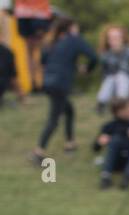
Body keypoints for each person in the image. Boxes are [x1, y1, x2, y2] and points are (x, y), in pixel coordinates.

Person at [30, 17, 95, 165]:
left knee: (69, 110)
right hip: (61, 84)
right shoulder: (74, 40)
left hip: (47, 83)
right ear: (71, 28)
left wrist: (69, 64)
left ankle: (70, 143)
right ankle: (38, 151)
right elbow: (93, 57)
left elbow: (43, 61)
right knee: (54, 118)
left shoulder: (52, 41)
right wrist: (86, 69)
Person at [95, 23, 129, 111]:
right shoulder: (105, 55)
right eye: (112, 38)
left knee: (121, 76)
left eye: (117, 37)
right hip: (113, 87)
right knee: (111, 78)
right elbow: (104, 75)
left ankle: (122, 104)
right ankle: (101, 103)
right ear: (108, 40)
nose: (114, 40)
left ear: (123, 38)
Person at [13, 0, 51, 93]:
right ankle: (40, 83)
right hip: (38, 13)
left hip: (25, 12)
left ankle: (36, 84)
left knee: (31, 53)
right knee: (41, 51)